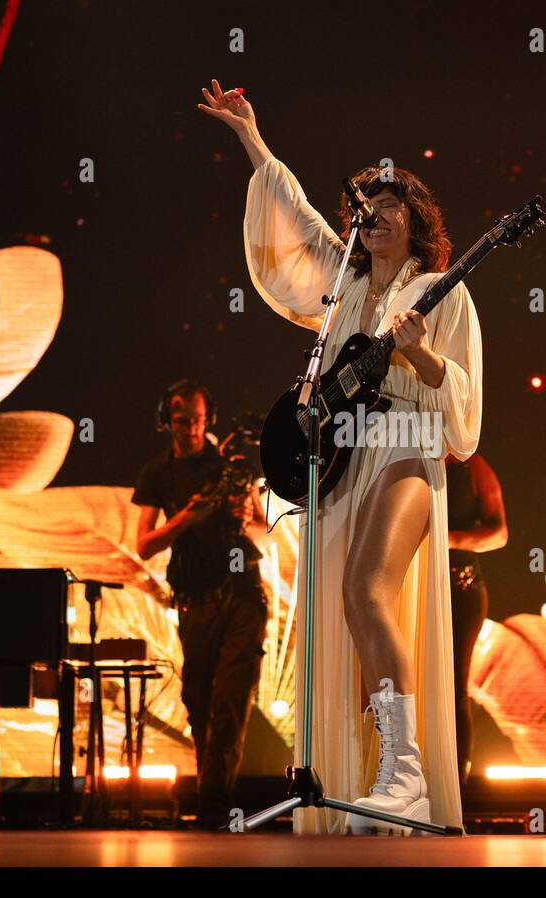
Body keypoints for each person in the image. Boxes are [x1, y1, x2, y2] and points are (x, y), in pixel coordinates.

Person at [200, 79, 482, 834]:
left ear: (416, 219)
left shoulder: (439, 291)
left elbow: (463, 416)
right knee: (355, 609)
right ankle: (373, 779)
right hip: (346, 459)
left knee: (365, 587)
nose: (371, 218)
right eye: (362, 210)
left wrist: (420, 360)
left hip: (408, 447)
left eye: (386, 207)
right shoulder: (347, 286)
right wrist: (251, 138)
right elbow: (295, 217)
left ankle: (407, 774)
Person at [134, 379, 269, 831]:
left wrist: (247, 508)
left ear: (208, 419)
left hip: (243, 594)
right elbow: (144, 545)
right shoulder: (158, 474)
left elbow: (266, 521)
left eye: (196, 419)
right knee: (197, 699)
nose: (190, 428)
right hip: (196, 601)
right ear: (165, 422)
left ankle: (212, 806)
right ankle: (213, 799)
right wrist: (186, 519)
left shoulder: (230, 464)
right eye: (180, 420)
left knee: (230, 701)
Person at [446, 452, 507, 789]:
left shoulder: (473, 466)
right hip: (409, 588)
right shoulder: (403, 453)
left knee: (455, 686)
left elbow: (499, 533)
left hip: (461, 588)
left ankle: (455, 789)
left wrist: (448, 539)